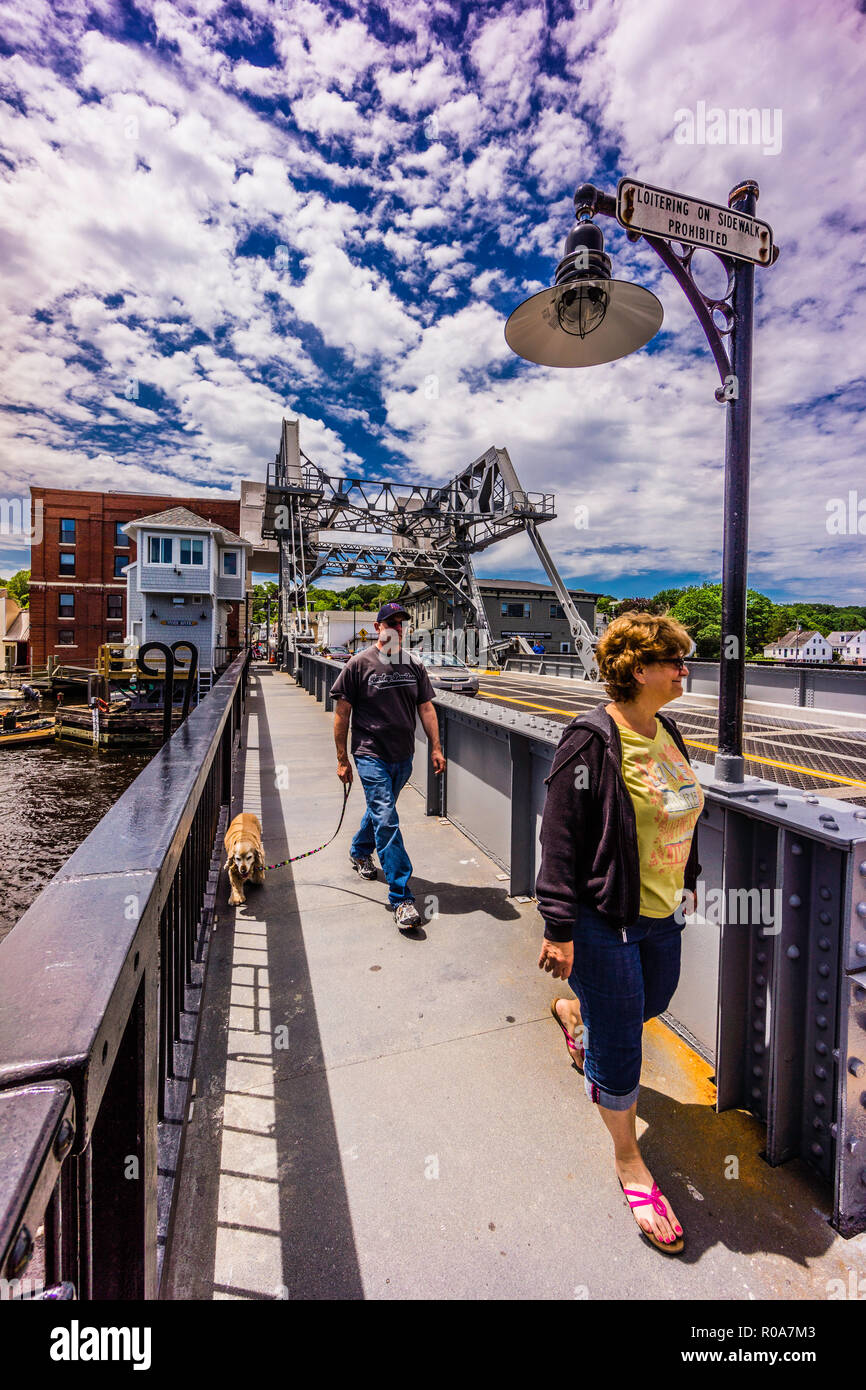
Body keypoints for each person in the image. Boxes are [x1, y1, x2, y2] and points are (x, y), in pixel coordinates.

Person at [535, 611, 703, 1256]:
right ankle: (630, 1160)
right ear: (641, 671)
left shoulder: (669, 732)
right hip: (603, 920)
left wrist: (690, 872)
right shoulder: (591, 741)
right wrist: (559, 927)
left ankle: (577, 1015)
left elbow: (680, 807)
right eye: (675, 662)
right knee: (622, 1041)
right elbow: (560, 838)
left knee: (650, 1004)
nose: (685, 671)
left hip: (662, 914)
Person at [330, 601, 446, 930]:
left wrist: (436, 748)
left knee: (381, 812)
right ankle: (401, 898)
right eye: (390, 623)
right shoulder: (358, 664)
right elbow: (342, 715)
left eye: (401, 623)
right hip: (370, 754)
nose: (397, 628)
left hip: (402, 756)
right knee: (386, 818)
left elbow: (426, 709)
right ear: (377, 627)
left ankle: (359, 850)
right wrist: (342, 759)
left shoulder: (412, 665)